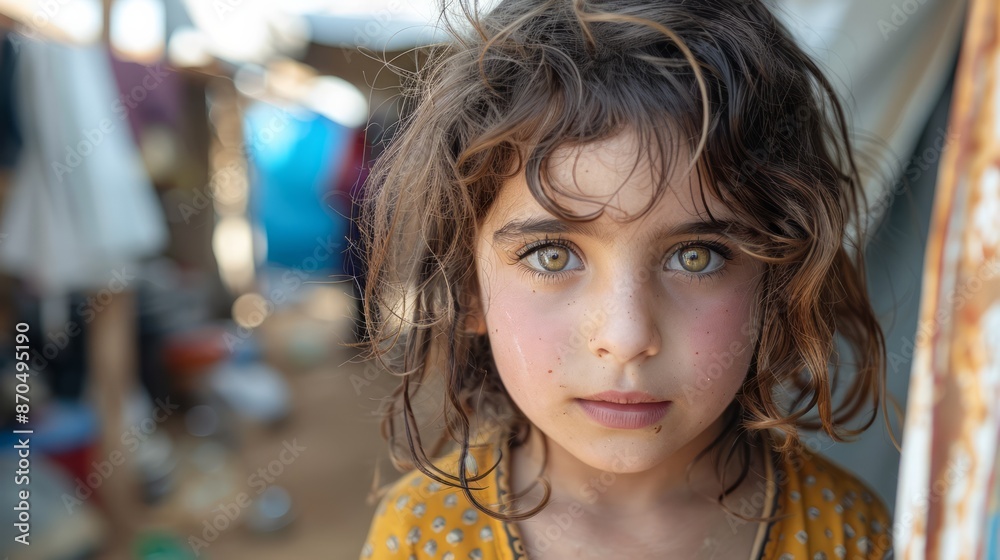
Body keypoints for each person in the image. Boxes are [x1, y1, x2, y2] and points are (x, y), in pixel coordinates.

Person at [356, 0, 893, 558]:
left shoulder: (847, 534)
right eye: (552, 256)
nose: (628, 337)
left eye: (696, 257)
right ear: (466, 285)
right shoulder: (421, 536)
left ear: (778, 282)